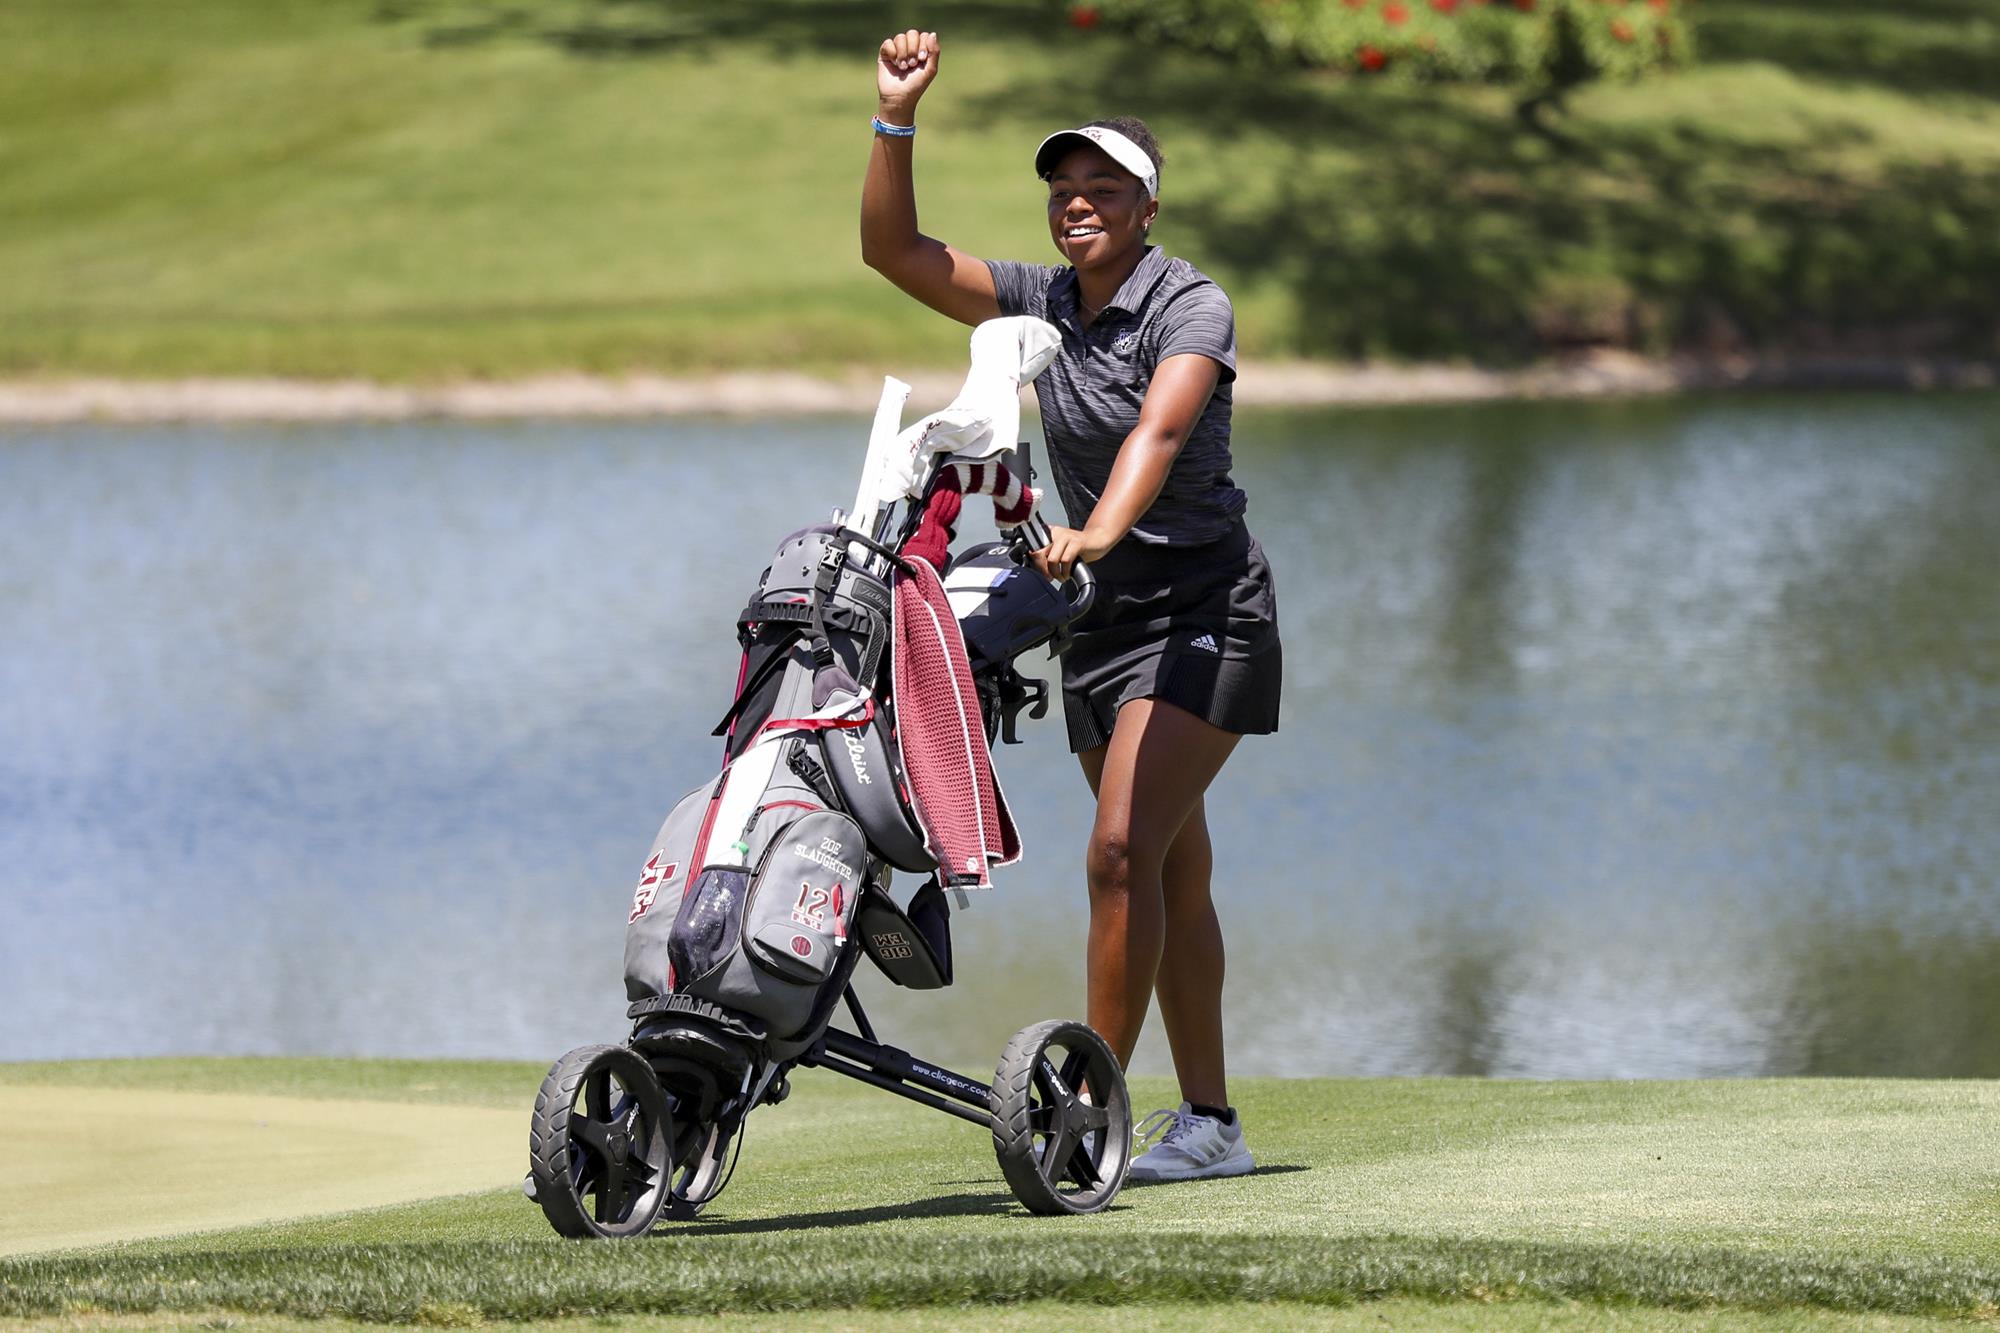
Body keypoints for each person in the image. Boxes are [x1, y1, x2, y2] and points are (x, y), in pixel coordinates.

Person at [861, 29, 1281, 1183]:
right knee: (1165, 869)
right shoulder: (1041, 301)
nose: (1076, 204)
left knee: (1116, 852)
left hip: (1205, 613)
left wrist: (1095, 529)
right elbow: (893, 251)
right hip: (1098, 623)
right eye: (1062, 189)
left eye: (1103, 186)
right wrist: (896, 117)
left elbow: (1160, 429)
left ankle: (1088, 1116)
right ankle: (1212, 1126)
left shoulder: (1189, 304)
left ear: (1148, 206)